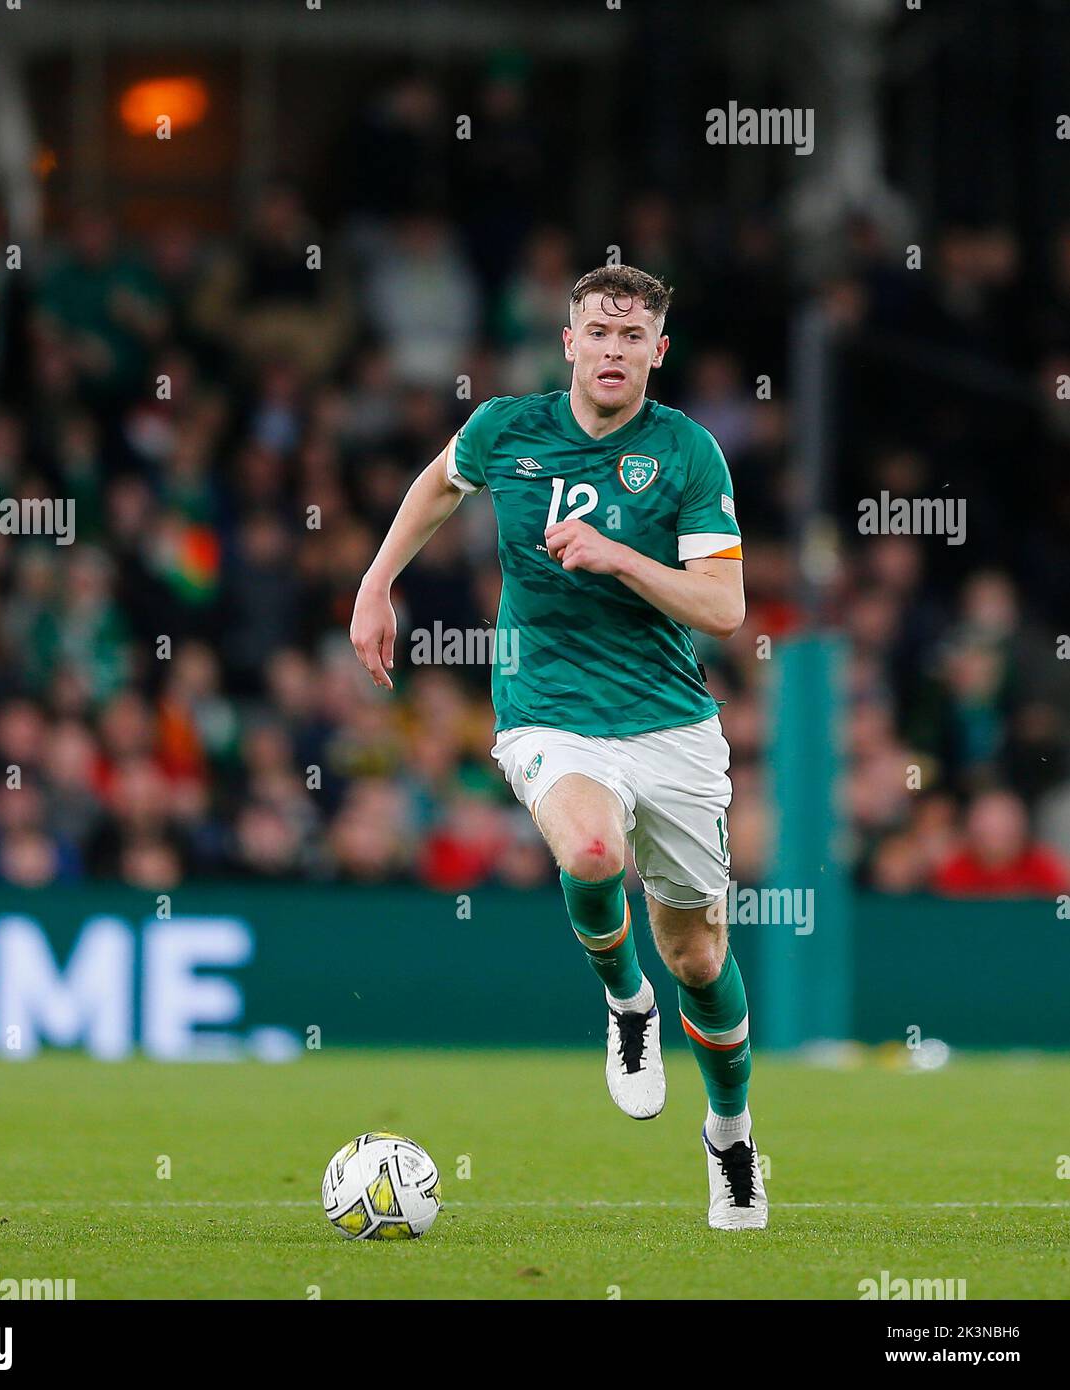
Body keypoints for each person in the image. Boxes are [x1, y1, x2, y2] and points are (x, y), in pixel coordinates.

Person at [350, 264, 765, 1230]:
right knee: (588, 851)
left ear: (657, 352)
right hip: (547, 708)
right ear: (568, 342)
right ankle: (625, 1006)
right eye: (597, 333)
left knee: (697, 954)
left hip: (670, 722)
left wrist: (620, 555)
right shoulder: (507, 427)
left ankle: (732, 1138)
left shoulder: (688, 454)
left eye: (632, 338)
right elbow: (439, 483)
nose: (612, 351)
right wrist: (377, 583)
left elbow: (725, 606)